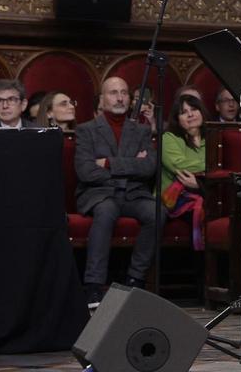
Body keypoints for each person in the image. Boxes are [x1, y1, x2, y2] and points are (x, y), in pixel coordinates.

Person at [75, 76, 160, 309]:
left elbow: (149, 167)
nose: (120, 97)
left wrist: (108, 163)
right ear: (102, 99)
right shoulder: (86, 130)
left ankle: (135, 280)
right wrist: (131, 164)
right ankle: (94, 285)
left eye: (124, 93)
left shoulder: (141, 131)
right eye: (113, 93)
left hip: (134, 194)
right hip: (99, 193)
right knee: (106, 210)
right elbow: (85, 171)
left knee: (157, 212)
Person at [161, 92, 209, 251]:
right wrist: (210, 167)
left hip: (206, 192)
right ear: (177, 119)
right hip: (172, 198)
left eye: (194, 109)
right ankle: (200, 259)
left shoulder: (213, 139)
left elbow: (223, 167)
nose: (190, 115)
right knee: (200, 209)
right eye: (183, 112)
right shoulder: (169, 138)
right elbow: (181, 165)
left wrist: (199, 184)